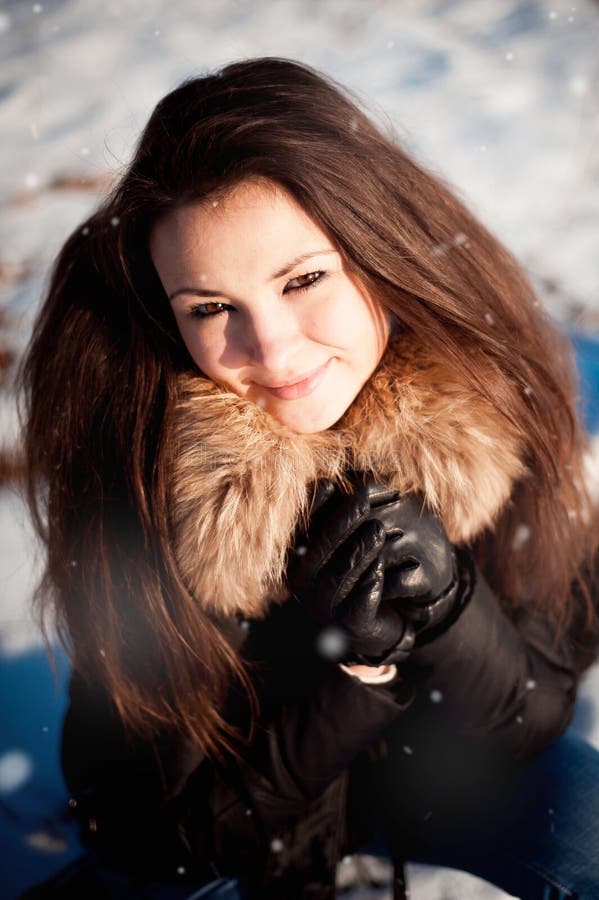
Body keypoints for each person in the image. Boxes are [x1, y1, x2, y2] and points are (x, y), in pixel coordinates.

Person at [18, 57, 599, 900]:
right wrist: (359, 676)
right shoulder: (151, 476)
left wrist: (450, 611)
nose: (275, 351)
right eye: (211, 309)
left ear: (382, 253)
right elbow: (150, 840)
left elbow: (537, 711)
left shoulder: (494, 397)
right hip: (251, 844)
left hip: (448, 775)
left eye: (304, 279)